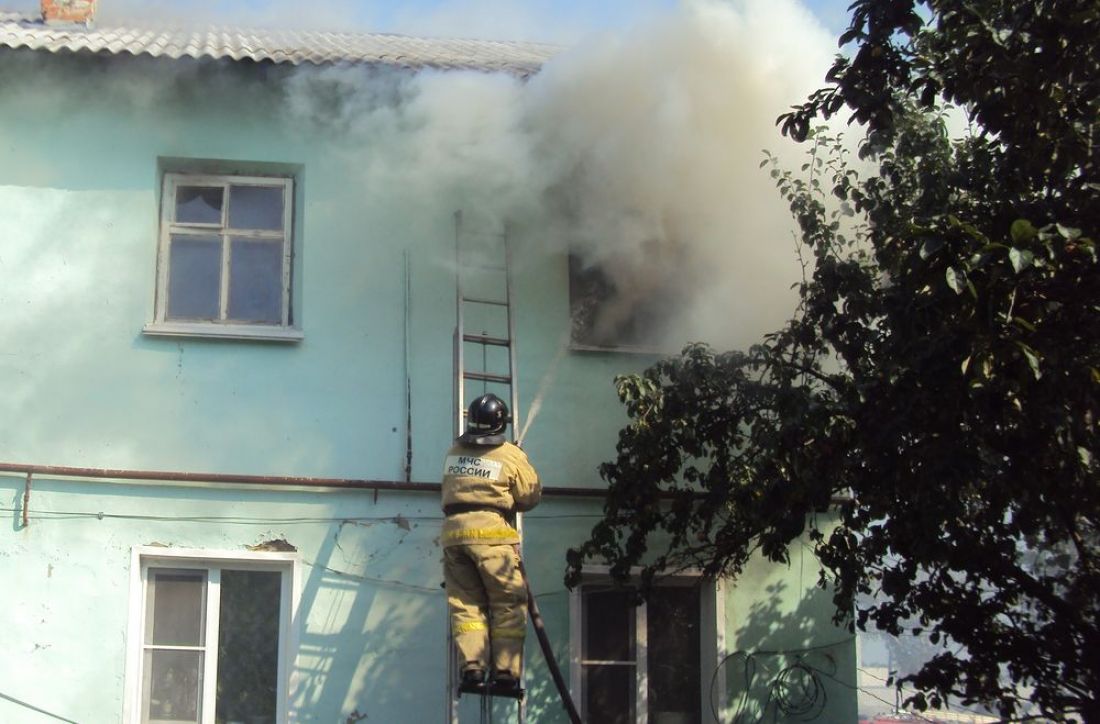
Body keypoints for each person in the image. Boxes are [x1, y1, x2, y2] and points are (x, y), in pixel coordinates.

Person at [442, 393, 541, 695]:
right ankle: (505, 672)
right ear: (501, 423)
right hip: (492, 537)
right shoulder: (510, 453)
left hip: (454, 537)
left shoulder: (454, 450)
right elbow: (529, 496)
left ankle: (472, 668)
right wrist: (520, 458)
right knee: (507, 604)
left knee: (466, 607)